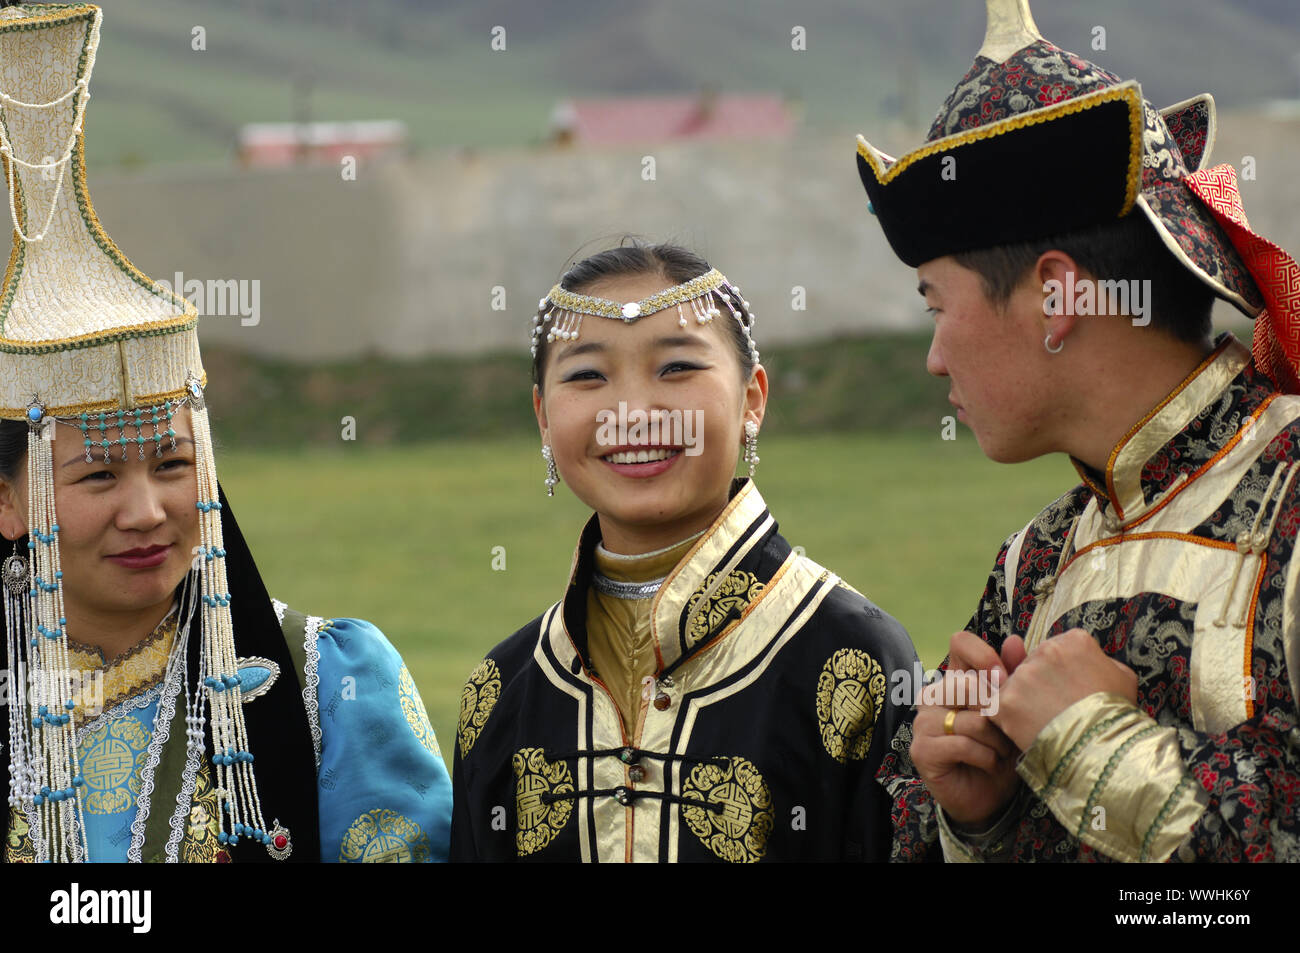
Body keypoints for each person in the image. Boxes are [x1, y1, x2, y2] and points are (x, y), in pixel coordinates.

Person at [0, 3, 451, 863]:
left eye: (174, 463)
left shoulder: (330, 685)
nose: (148, 510)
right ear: (8, 502)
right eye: (98, 476)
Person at [856, 0, 1300, 862]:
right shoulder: (1035, 561)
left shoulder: (1289, 500)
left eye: (938, 307)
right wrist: (972, 819)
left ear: (1057, 296)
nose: (935, 358)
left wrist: (1098, 747)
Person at [449, 241, 918, 862]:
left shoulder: (853, 658)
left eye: (676, 369)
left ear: (752, 398)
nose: (634, 413)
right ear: (542, 416)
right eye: (587, 376)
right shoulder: (503, 690)